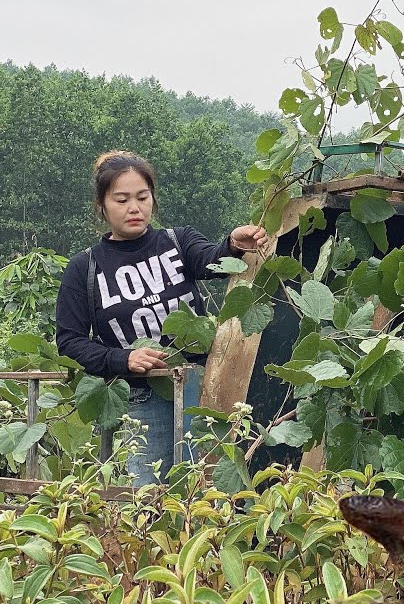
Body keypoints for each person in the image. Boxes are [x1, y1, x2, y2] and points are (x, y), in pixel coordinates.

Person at [55, 150, 268, 485]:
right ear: (101, 206)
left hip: (203, 386)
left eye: (142, 197)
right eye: (121, 199)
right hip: (144, 396)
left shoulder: (177, 242)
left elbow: (210, 258)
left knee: (211, 489)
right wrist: (122, 358)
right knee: (153, 495)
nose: (134, 208)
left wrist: (232, 244)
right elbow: (69, 340)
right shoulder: (85, 268)